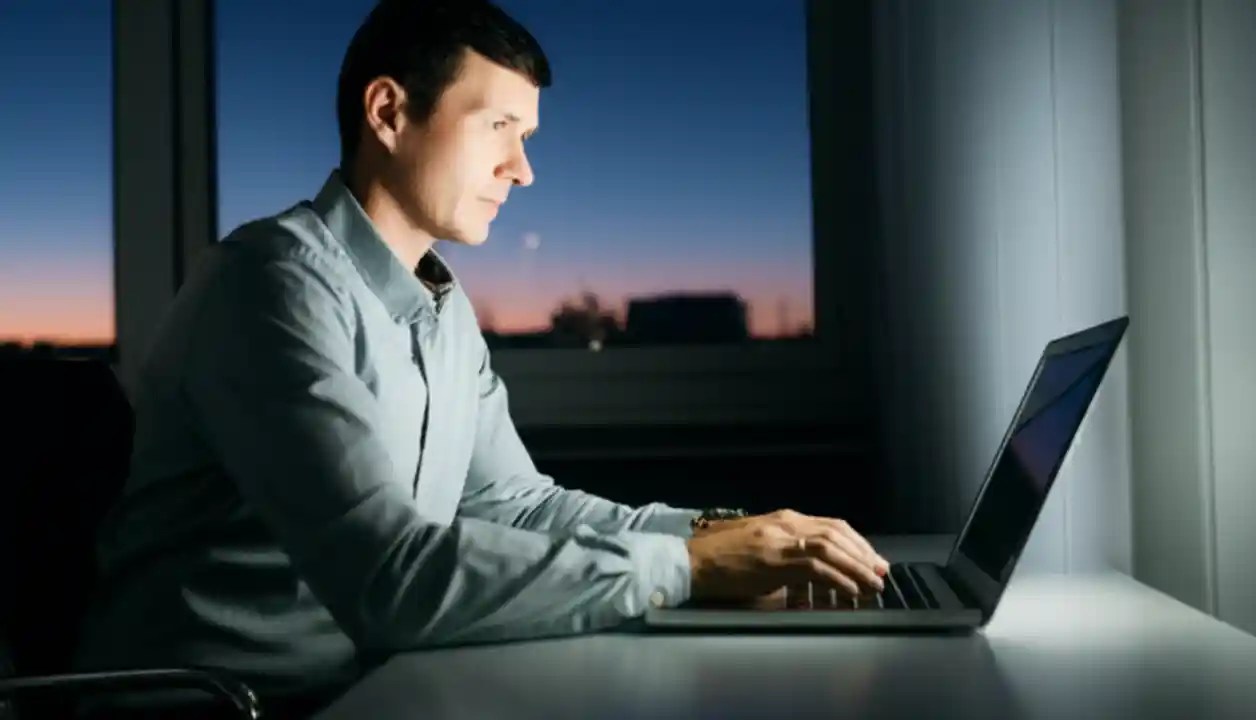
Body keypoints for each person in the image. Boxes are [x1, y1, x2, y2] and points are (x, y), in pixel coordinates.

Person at [72, 0, 888, 715]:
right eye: (499, 128)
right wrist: (685, 566)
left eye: (526, 137)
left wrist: (731, 533)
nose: (523, 169)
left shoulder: (440, 305)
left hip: (365, 685)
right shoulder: (270, 286)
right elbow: (389, 578)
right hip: (227, 705)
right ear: (389, 114)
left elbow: (518, 506)